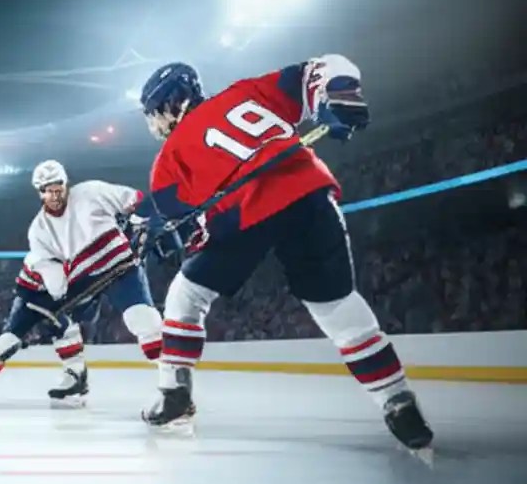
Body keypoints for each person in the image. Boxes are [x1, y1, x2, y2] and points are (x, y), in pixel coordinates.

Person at [134, 55, 433, 451]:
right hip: (308, 191)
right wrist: (338, 96)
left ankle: (174, 392)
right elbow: (324, 66)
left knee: (185, 295)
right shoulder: (246, 91)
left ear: (172, 103)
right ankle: (397, 400)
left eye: (156, 112)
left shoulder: (168, 157)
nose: (156, 123)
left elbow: (183, 217)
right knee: (336, 304)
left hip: (242, 213)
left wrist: (172, 238)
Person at [0, 160, 164, 407]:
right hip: (68, 286)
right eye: (49, 191)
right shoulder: (39, 231)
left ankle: (174, 386)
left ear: (66, 185)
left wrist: (142, 221)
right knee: (43, 326)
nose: (55, 196)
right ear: (40, 192)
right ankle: (74, 375)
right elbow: (57, 285)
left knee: (143, 320)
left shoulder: (91, 192)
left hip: (120, 269)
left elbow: (136, 200)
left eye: (58, 189)